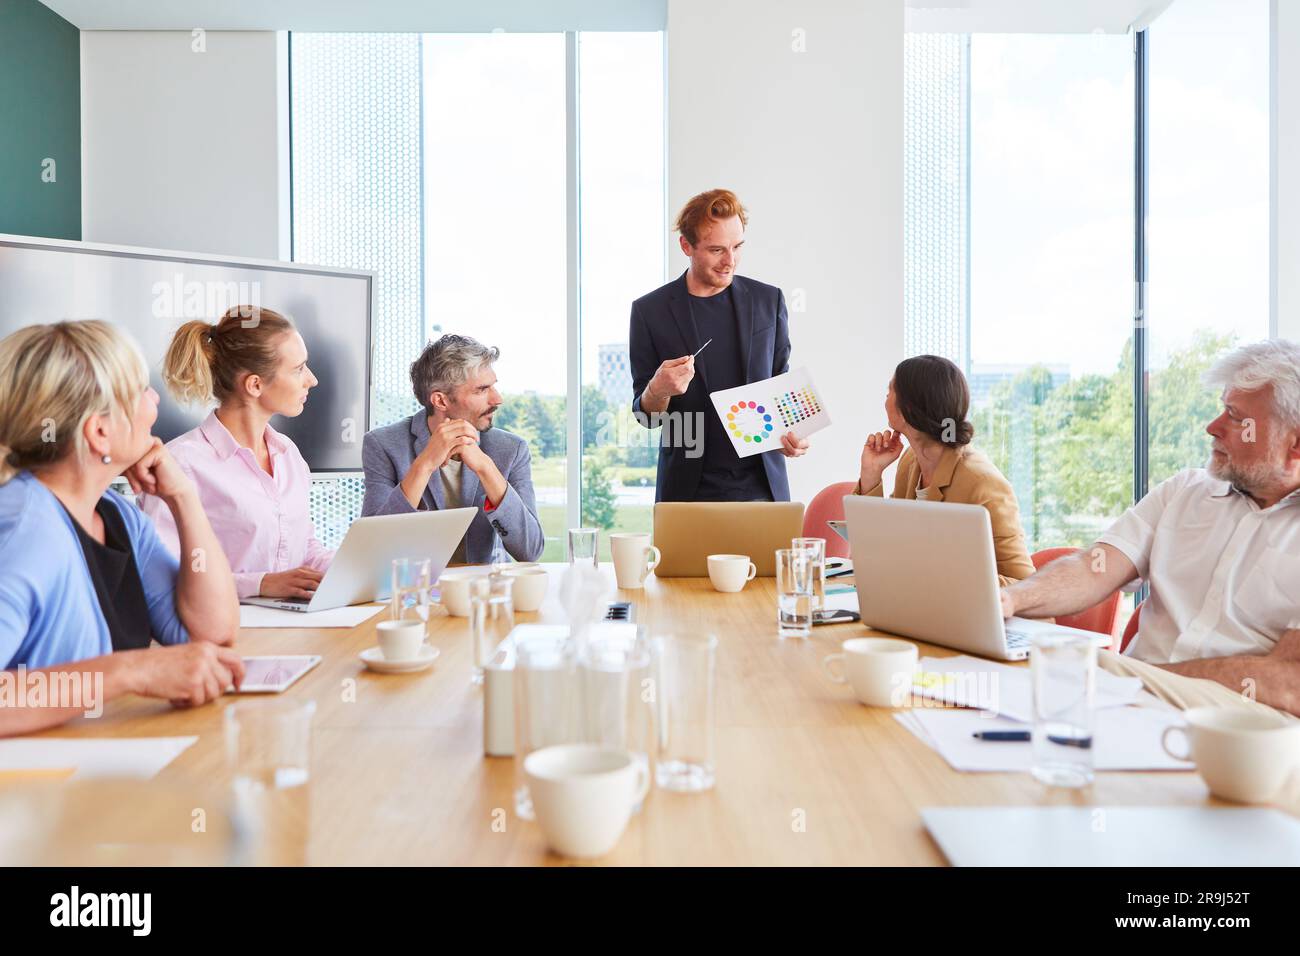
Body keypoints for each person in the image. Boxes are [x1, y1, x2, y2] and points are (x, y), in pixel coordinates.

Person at [1001, 340, 1300, 719]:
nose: (1213, 427)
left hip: (1232, 726)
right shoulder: (1186, 491)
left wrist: (1139, 679)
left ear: (1296, 444)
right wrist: (1012, 600)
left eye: (1236, 418)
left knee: (1056, 674)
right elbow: (1093, 568)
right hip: (1128, 699)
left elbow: (1288, 683)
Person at [0, 320, 244, 737]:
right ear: (99, 432)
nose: (154, 403)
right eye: (140, 392)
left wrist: (184, 498)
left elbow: (212, 632)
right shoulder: (25, 531)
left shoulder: (115, 515)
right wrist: (130, 671)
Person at [137, 306, 334, 601]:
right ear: (254, 385)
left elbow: (302, 546)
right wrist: (259, 584)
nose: (312, 379)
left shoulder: (288, 454)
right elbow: (158, 575)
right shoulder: (181, 464)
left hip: (294, 628)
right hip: (222, 631)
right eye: (298, 369)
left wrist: (357, 569)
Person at [629, 188, 810, 503]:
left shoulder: (769, 301)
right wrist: (658, 390)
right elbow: (647, 418)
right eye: (716, 250)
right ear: (686, 245)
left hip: (764, 490)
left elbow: (782, 385)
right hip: (687, 494)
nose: (730, 261)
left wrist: (792, 434)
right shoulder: (650, 311)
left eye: (737, 246)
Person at [361, 334, 544, 564]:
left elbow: (530, 550)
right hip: (417, 592)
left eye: (493, 386)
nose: (497, 399)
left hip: (484, 594)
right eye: (482, 390)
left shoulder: (511, 449)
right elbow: (372, 549)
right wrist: (425, 464)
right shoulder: (383, 445)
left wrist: (487, 468)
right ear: (440, 401)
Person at [853, 355, 1033, 584]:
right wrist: (871, 473)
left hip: (972, 616)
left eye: (890, 391)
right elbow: (878, 544)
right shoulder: (910, 462)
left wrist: (947, 575)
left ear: (908, 407)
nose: (885, 399)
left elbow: (1026, 587)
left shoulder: (983, 483)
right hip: (922, 610)